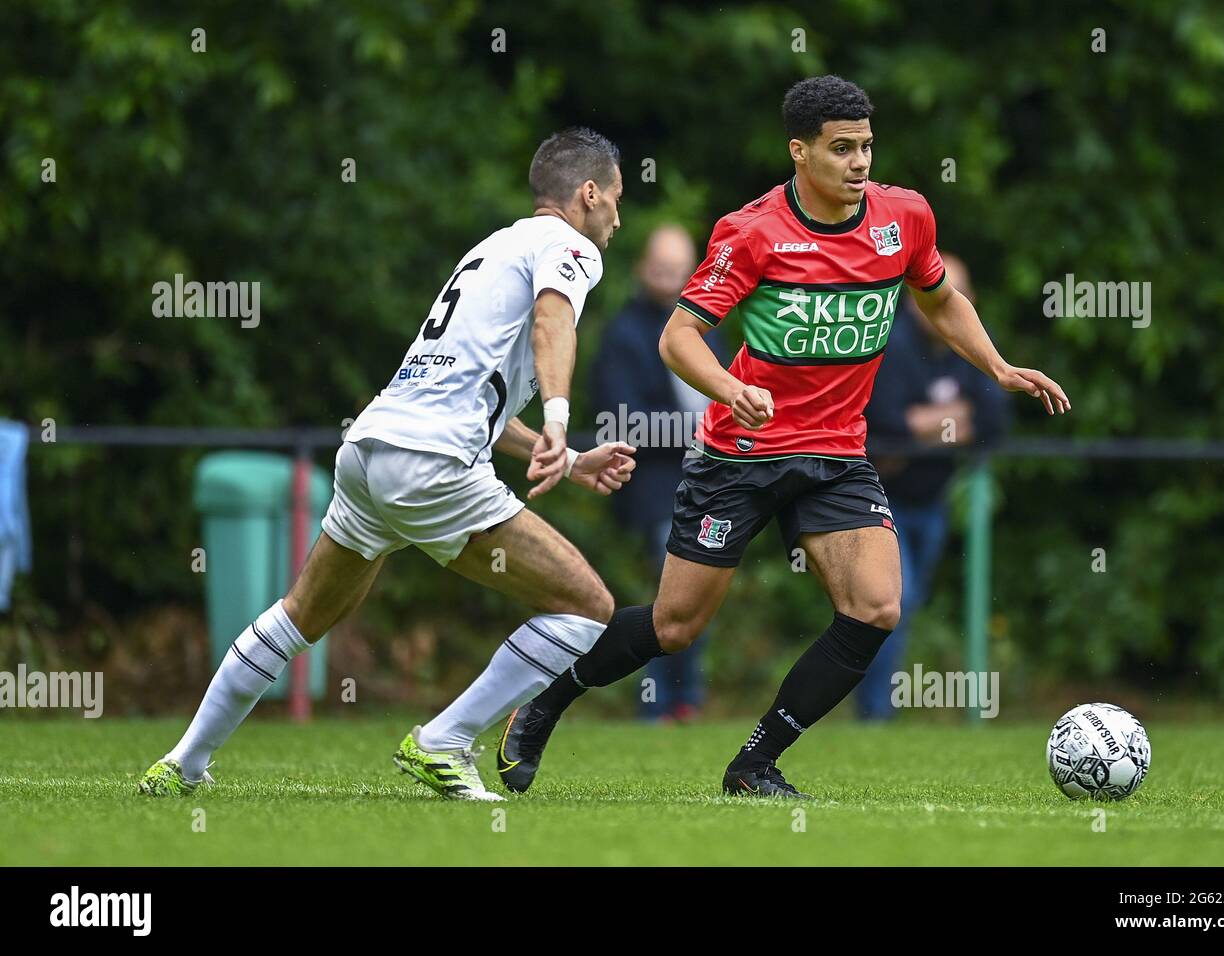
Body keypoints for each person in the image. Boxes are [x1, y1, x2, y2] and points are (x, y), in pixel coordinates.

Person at [497, 75, 1069, 798]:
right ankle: (545, 703)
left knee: (876, 608)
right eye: (841, 149)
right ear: (800, 152)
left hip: (836, 454)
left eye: (866, 146)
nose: (860, 162)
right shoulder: (754, 231)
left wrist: (997, 366)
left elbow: (939, 296)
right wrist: (731, 389)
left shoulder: (905, 218)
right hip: (741, 455)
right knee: (675, 627)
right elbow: (680, 340)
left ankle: (754, 763)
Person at [139, 127, 636, 801]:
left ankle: (183, 762)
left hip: (370, 449)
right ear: (587, 193)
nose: (617, 215)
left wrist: (568, 459)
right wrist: (557, 417)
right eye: (614, 198)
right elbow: (555, 323)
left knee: (299, 615)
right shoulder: (569, 246)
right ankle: (442, 742)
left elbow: (474, 395)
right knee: (586, 606)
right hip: (430, 463)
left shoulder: (494, 246)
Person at [855, 252, 1009, 719]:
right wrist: (956, 418)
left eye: (956, 294)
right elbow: (884, 423)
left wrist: (924, 422)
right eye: (936, 294)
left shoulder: (976, 347)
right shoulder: (891, 344)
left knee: (904, 605)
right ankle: (874, 714)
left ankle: (877, 711)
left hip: (935, 500)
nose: (945, 302)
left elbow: (995, 421)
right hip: (881, 497)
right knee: (890, 604)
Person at [589, 224, 729, 721]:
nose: (669, 279)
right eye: (660, 267)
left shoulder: (713, 327)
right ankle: (657, 702)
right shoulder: (624, 334)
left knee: (695, 600)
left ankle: (682, 700)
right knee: (673, 601)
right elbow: (620, 420)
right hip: (655, 493)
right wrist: (698, 428)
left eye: (678, 269)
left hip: (711, 487)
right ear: (642, 268)